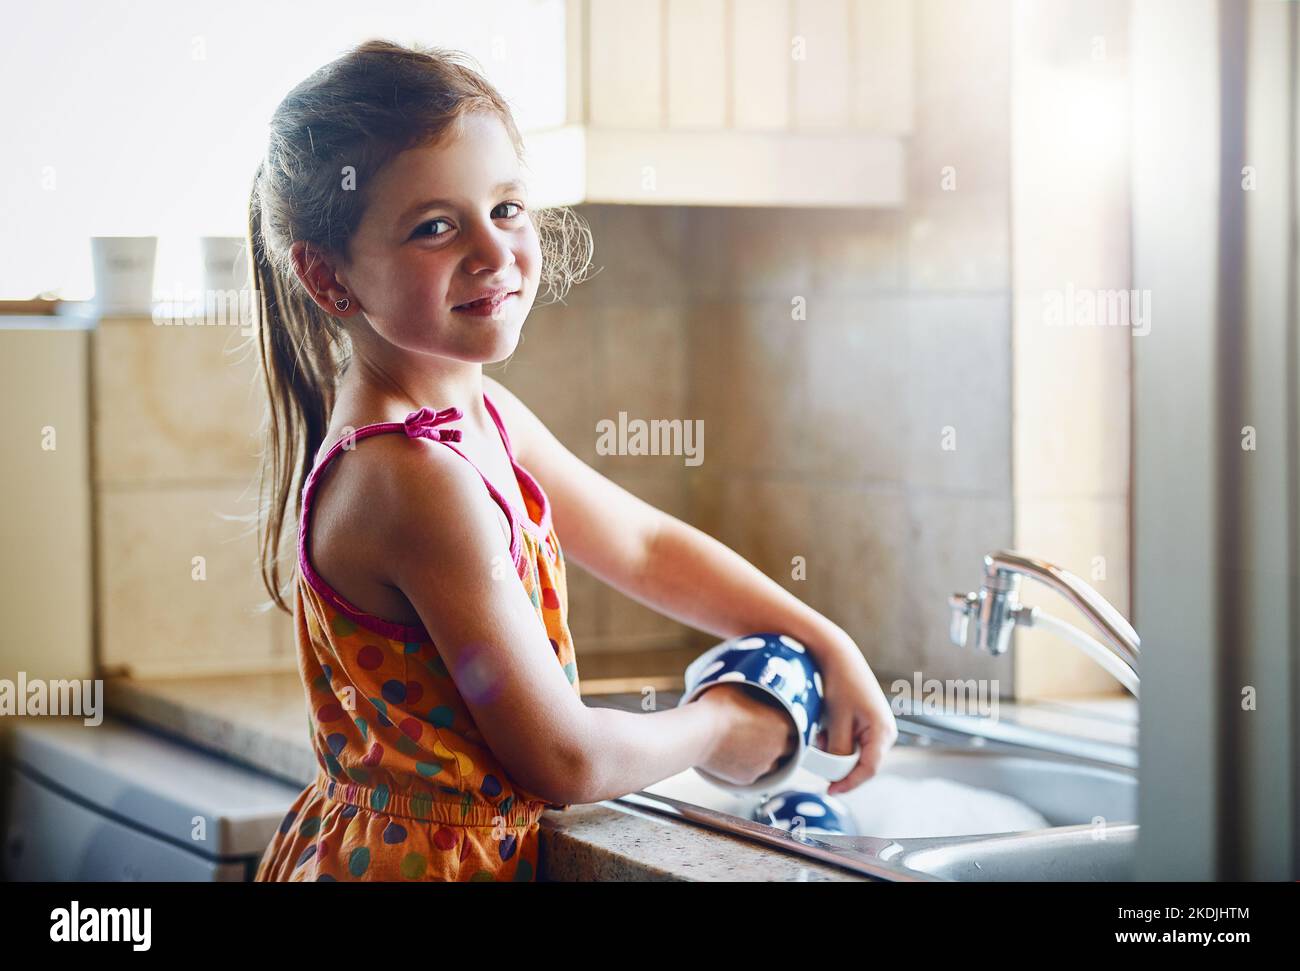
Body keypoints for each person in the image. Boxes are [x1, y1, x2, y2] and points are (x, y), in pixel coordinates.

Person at [248, 39, 896, 882]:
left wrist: (821, 636)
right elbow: (565, 760)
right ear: (329, 279)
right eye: (434, 226)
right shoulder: (410, 476)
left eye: (507, 207)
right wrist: (722, 724)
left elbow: (643, 546)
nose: (492, 251)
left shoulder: (476, 417)